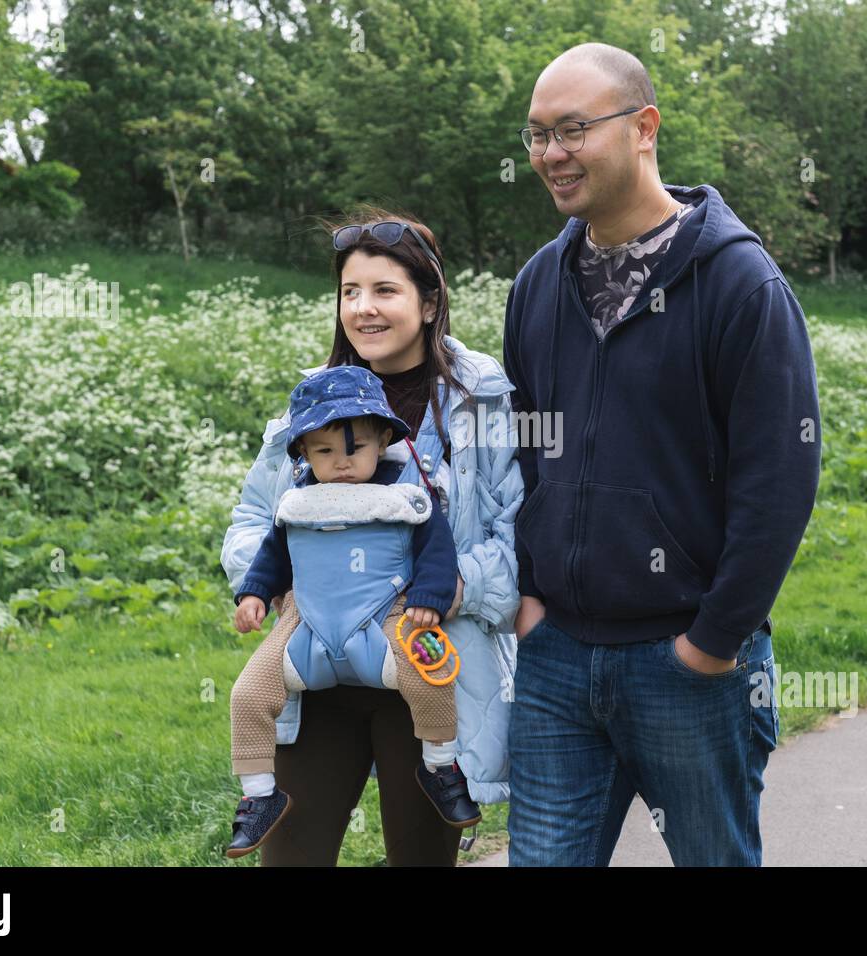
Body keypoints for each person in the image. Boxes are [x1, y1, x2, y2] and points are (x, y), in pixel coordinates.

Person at [503, 42, 822, 866]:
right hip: (555, 659)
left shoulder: (739, 282)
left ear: (643, 128)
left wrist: (712, 643)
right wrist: (527, 598)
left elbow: (778, 482)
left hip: (689, 665)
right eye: (537, 136)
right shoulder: (537, 284)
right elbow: (519, 454)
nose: (551, 155)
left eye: (572, 129)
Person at [220, 209, 523, 866]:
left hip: (420, 671)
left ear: (430, 299)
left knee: (420, 857)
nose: (363, 310)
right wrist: (278, 584)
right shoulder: (314, 401)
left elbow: (517, 542)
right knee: (290, 859)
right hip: (316, 672)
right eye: (350, 292)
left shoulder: (482, 401)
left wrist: (452, 588)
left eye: (384, 291)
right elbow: (251, 523)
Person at [224, 367, 475, 859]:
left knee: (431, 676)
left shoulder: (405, 497)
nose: (340, 464)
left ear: (382, 441)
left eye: (354, 449)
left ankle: (441, 765)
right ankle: (258, 795)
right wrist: (253, 594)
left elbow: (437, 553)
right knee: (248, 694)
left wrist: (429, 597)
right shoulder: (296, 504)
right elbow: (272, 557)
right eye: (323, 452)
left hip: (387, 617)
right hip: (305, 620)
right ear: (302, 453)